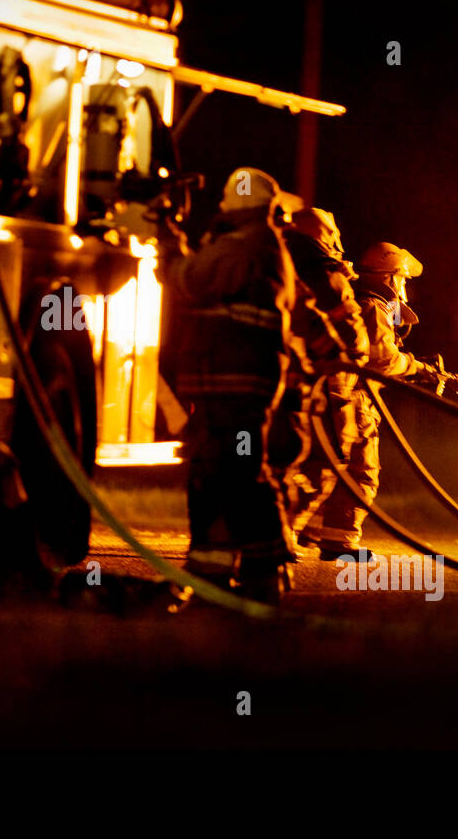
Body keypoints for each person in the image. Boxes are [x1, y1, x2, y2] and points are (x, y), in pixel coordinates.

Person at [163, 167, 304, 603]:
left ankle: (265, 571)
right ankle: (213, 574)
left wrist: (167, 243)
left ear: (236, 207)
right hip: (229, 387)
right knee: (215, 474)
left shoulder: (241, 248)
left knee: (240, 475)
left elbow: (187, 280)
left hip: (234, 387)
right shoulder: (258, 246)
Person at [298, 241, 458, 561]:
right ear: (390, 279)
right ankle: (324, 540)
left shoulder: (367, 304)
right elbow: (382, 359)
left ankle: (322, 536)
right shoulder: (373, 307)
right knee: (360, 471)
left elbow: (381, 355)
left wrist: (420, 369)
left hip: (348, 396)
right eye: (402, 279)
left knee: (336, 470)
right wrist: (418, 368)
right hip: (355, 399)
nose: (404, 286)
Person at [266, 205, 368, 548]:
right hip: (330, 382)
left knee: (288, 458)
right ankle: (284, 533)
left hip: (289, 379)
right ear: (327, 236)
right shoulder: (327, 275)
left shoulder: (281, 266)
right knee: (326, 463)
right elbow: (352, 333)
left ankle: (281, 531)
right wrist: (355, 362)